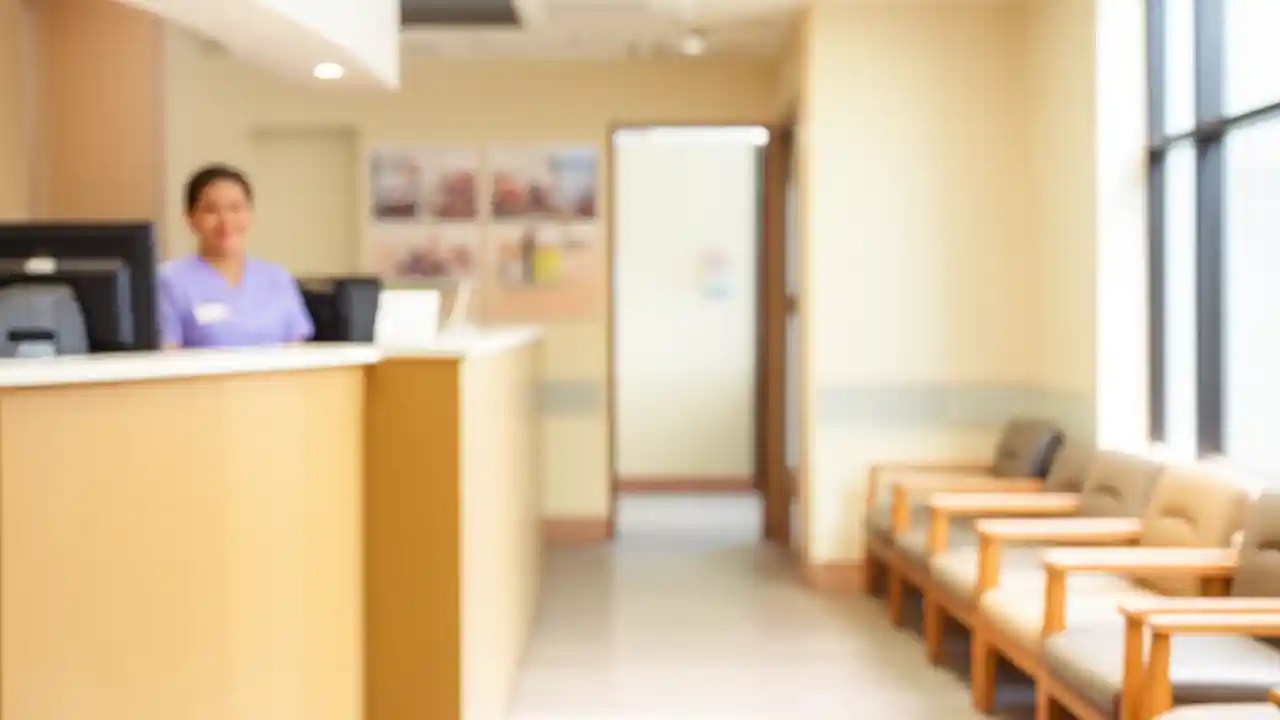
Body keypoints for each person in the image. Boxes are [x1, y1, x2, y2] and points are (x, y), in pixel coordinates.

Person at [159, 164, 314, 348]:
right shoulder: (171, 280)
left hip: (277, 377)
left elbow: (298, 349)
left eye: (235, 208)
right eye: (211, 210)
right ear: (190, 218)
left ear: (250, 214)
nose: (225, 221)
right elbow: (168, 355)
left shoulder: (276, 278)